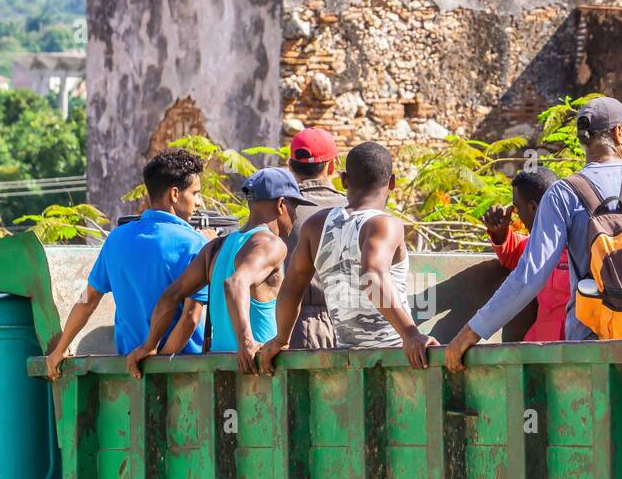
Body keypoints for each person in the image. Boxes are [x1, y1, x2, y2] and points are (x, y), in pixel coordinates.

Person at [445, 97, 622, 371]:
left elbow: (529, 276)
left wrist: (470, 333)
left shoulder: (564, 193)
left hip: (590, 349)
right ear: (618, 133)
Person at [258, 141, 436, 371]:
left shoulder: (315, 226)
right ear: (392, 182)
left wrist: (281, 339)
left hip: (346, 360)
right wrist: (411, 334)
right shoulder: (384, 225)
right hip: (395, 355)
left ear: (343, 180)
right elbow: (372, 275)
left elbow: (291, 288)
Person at [126, 168, 315, 377]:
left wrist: (150, 345)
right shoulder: (272, 244)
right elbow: (235, 283)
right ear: (281, 205)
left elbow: (172, 294)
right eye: (294, 206)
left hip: (221, 371)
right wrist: (246, 342)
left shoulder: (216, 247)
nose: (295, 215)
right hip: (259, 371)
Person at [45, 149, 207, 380]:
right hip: (184, 374)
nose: (198, 202)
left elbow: (87, 300)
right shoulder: (194, 243)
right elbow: (190, 317)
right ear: (174, 194)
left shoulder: (116, 239)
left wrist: (58, 351)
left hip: (130, 373)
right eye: (195, 193)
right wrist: (158, 367)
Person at [482, 167, 570, 342]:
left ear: (533, 207)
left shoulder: (583, 244)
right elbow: (513, 253)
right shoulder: (536, 246)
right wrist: (500, 233)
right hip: (538, 344)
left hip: (577, 344)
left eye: (517, 208)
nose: (516, 215)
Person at [286, 128, 348, 349]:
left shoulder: (280, 211)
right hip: (351, 326)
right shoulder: (353, 210)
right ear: (332, 166)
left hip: (291, 327)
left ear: (290, 165)